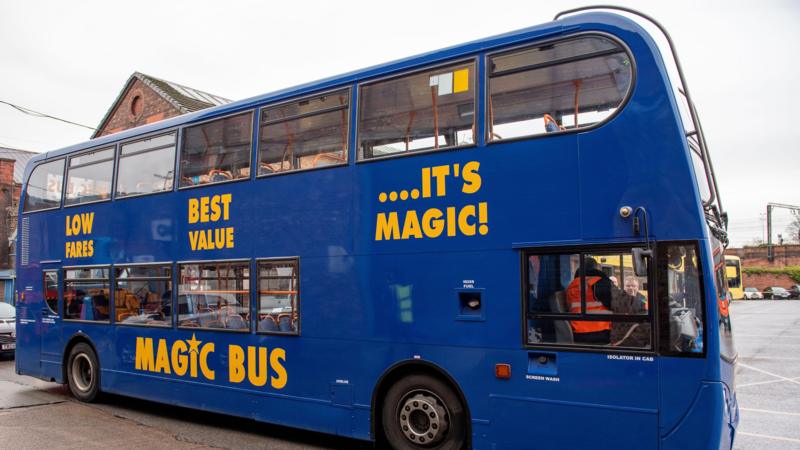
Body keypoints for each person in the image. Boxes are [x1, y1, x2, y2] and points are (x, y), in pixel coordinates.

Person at [566, 258, 613, 344]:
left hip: (577, 332)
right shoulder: (599, 282)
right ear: (595, 268)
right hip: (600, 332)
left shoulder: (571, 285)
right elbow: (617, 302)